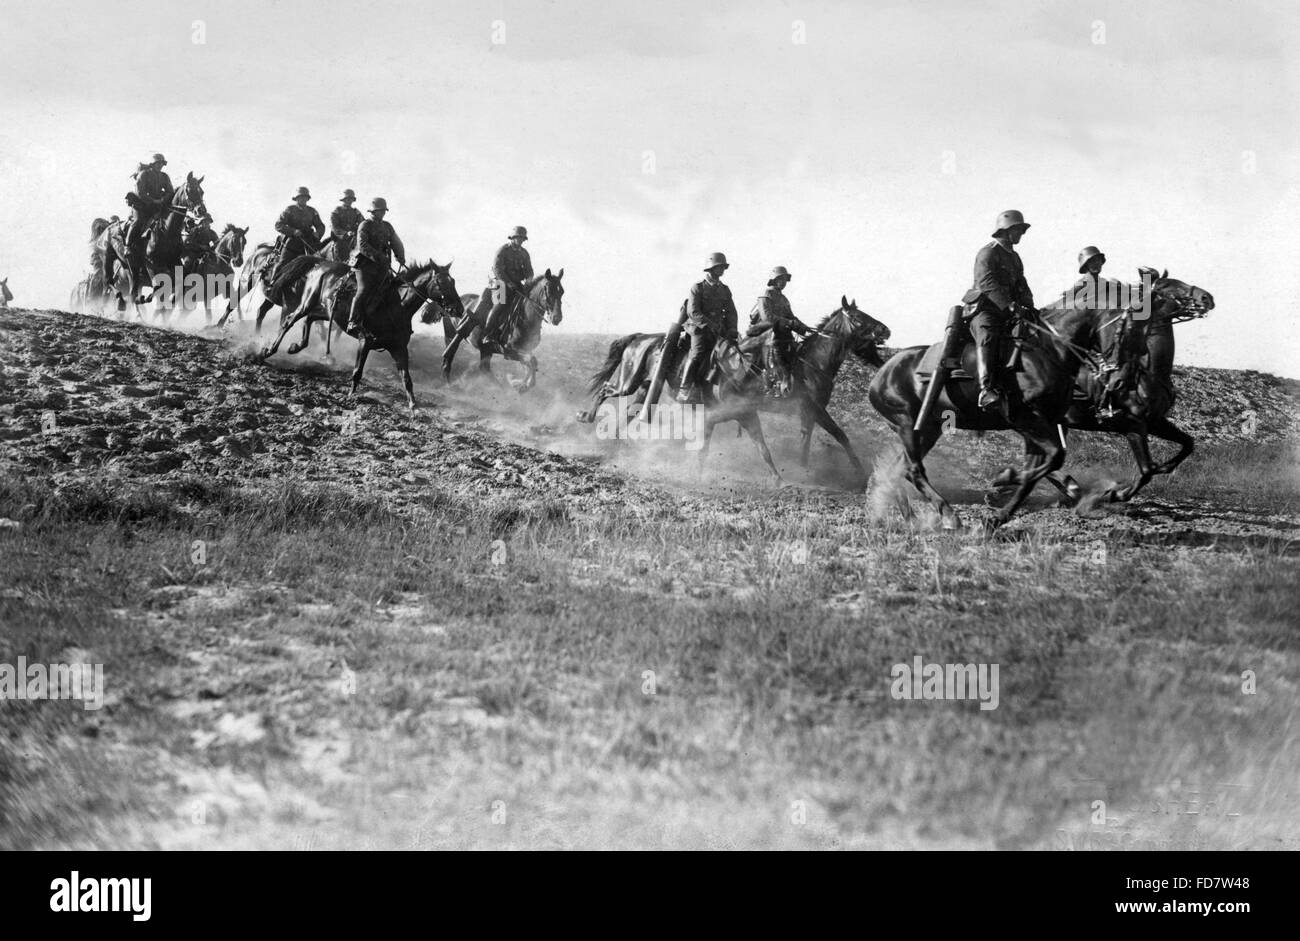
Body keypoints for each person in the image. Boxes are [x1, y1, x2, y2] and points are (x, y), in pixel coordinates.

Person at [960, 210, 1037, 409]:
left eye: (1022, 230)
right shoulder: (988, 252)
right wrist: (1009, 304)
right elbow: (986, 282)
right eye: (1018, 230)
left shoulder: (1015, 257)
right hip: (986, 310)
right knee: (988, 333)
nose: (1021, 234)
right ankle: (986, 390)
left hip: (1009, 312)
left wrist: (1029, 305)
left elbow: (1021, 284)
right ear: (1005, 230)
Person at [677, 252, 739, 404]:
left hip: (718, 330)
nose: (722, 270)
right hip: (699, 328)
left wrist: (732, 329)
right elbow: (693, 312)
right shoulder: (697, 288)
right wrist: (709, 325)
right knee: (697, 353)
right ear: (710, 269)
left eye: (723, 267)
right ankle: (684, 390)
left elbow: (731, 311)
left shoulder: (725, 289)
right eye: (719, 267)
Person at [747, 265, 812, 396]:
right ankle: (774, 387)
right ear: (774, 280)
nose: (783, 282)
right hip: (766, 333)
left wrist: (806, 329)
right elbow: (767, 317)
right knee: (777, 353)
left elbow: (792, 317)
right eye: (780, 279)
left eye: (785, 280)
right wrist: (789, 323)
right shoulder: (766, 294)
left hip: (782, 334)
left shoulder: (783, 299)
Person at [346, 197, 405, 336]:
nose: (383, 213)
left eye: (384, 210)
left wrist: (400, 256)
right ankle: (352, 321)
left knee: (390, 290)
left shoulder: (387, 226)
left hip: (382, 265)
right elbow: (363, 246)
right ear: (373, 211)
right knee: (364, 290)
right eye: (380, 210)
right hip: (364, 265)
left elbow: (396, 242)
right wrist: (379, 256)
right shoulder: (365, 225)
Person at [482, 226, 534, 345]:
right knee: (500, 304)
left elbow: (529, 270)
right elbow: (497, 269)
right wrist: (508, 283)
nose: (520, 241)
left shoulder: (524, 253)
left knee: (527, 301)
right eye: (518, 238)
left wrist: (529, 279)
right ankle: (487, 334)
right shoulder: (503, 250)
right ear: (513, 237)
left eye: (522, 239)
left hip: (515, 283)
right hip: (498, 281)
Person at [125, 153, 174, 266]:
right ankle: (127, 246)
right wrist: (152, 200)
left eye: (162, 163)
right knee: (138, 222)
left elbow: (170, 191)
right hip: (141, 205)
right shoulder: (144, 174)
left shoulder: (164, 176)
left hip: (157, 206)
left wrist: (162, 199)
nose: (160, 166)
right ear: (152, 164)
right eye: (158, 163)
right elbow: (140, 192)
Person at [269, 186, 325, 283]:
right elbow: (278, 225)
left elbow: (321, 226)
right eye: (300, 197)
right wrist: (293, 231)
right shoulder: (289, 210)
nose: (303, 199)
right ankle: (273, 283)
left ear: (308, 198)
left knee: (319, 262)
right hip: (292, 243)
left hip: (309, 242)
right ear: (296, 198)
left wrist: (318, 233)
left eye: (305, 197)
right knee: (283, 263)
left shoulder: (312, 211)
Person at [329, 189, 364, 257]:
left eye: (351, 199)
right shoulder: (337, 211)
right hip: (340, 239)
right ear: (343, 200)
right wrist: (345, 233)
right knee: (340, 251)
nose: (349, 201)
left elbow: (362, 224)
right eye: (347, 199)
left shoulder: (356, 212)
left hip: (354, 238)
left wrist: (356, 231)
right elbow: (334, 226)